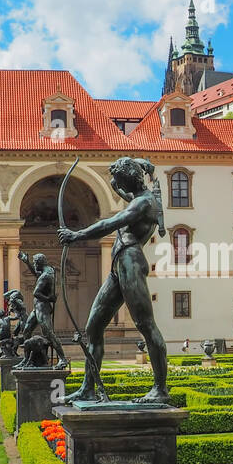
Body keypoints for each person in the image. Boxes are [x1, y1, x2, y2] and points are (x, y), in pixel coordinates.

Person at [57, 156, 169, 404]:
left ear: (129, 178)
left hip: (130, 262)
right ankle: (88, 388)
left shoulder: (143, 203)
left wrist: (77, 235)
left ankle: (160, 388)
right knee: (93, 326)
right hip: (119, 265)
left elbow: (111, 223)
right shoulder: (137, 198)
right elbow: (116, 187)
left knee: (146, 326)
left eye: (120, 180)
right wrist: (134, 167)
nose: (118, 184)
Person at [15, 251, 70, 369]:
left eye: (35, 263)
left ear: (39, 263)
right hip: (37, 308)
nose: (34, 265)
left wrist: (49, 298)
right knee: (26, 330)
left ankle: (63, 359)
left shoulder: (45, 276)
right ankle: (27, 359)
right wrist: (27, 262)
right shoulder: (48, 271)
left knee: (49, 333)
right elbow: (36, 274)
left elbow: (36, 293)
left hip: (42, 307)